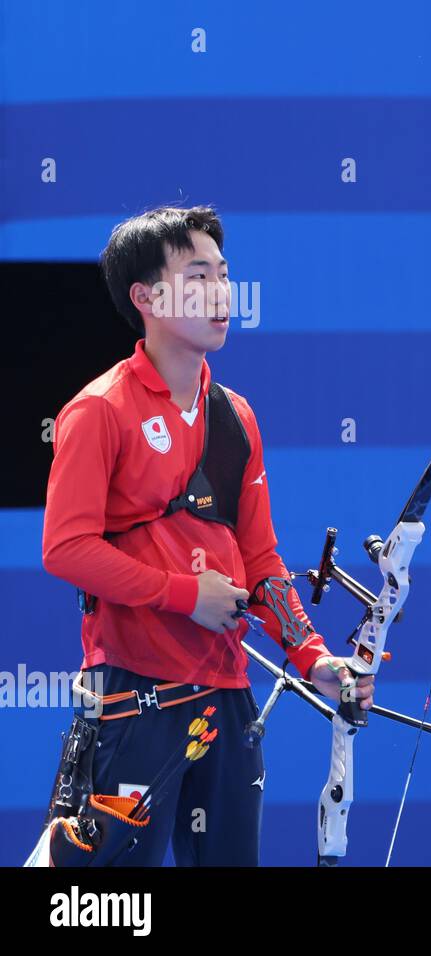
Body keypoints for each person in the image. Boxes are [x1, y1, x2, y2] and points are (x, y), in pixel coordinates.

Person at [41, 206, 374, 865]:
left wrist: (315, 660)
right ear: (146, 297)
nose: (220, 292)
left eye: (224, 275)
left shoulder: (236, 416)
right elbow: (65, 549)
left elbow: (261, 559)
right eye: (197, 277)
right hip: (131, 704)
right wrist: (183, 594)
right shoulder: (98, 410)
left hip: (226, 698)